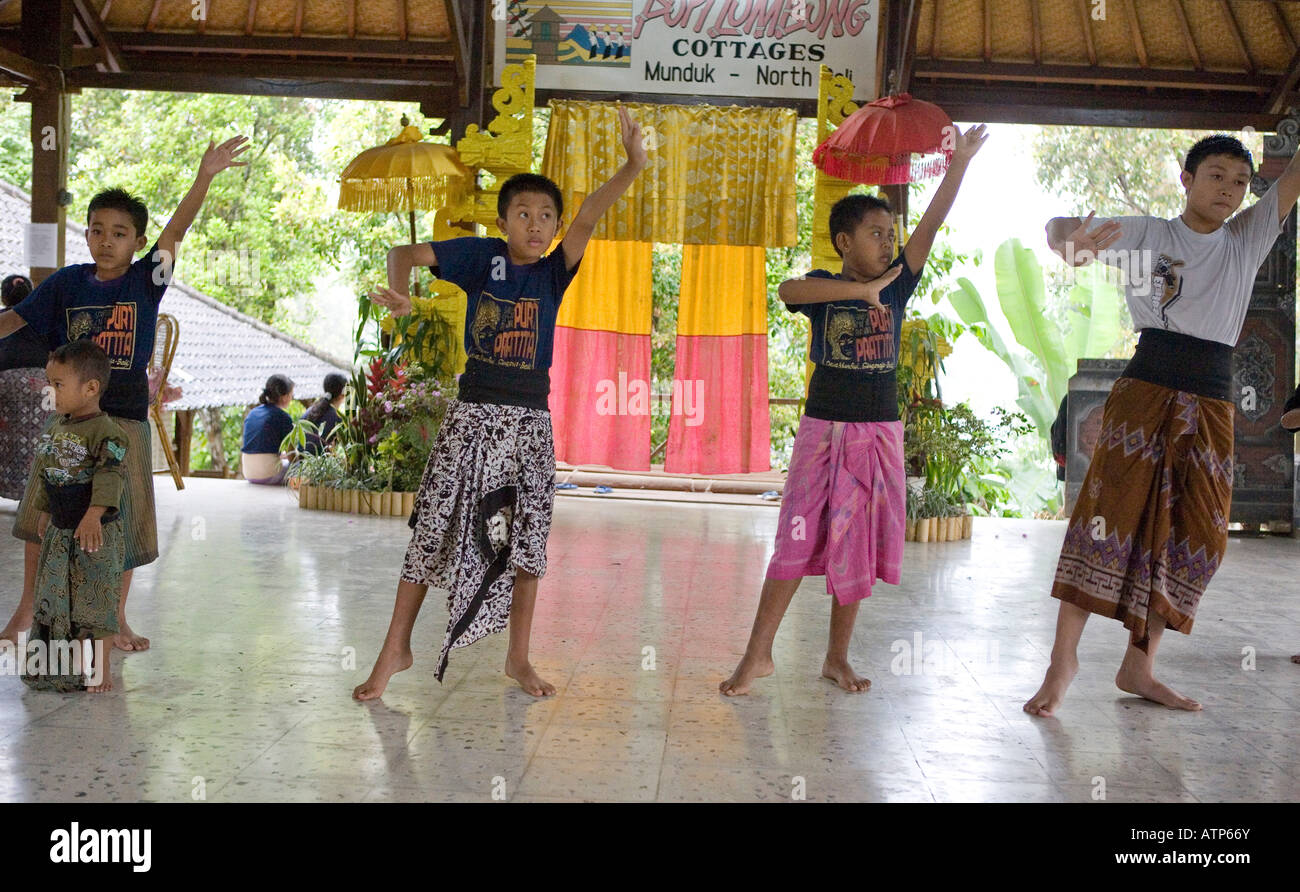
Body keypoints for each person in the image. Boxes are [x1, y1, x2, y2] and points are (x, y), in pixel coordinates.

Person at [353, 106, 648, 699]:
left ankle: (519, 658)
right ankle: (396, 647)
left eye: (546, 216)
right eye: (523, 214)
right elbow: (403, 254)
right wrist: (403, 300)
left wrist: (633, 164)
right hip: (471, 418)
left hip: (530, 426)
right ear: (503, 220)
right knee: (431, 528)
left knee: (528, 540)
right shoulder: (479, 256)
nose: (535, 225)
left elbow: (591, 212)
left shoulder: (554, 272)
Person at [1025, 135, 1300, 717]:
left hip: (1213, 401)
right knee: (1106, 521)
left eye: (1239, 182)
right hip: (1146, 388)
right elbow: (1059, 226)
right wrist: (1067, 243)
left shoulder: (1248, 237)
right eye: (1216, 175)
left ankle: (1139, 664)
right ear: (1186, 178)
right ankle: (1063, 662)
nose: (1227, 189)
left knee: (1196, 536)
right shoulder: (1152, 235)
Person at [720, 125, 988, 696]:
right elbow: (789, 291)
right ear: (844, 242)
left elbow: (932, 224)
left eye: (890, 234)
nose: (888, 243)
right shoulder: (822, 285)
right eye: (875, 233)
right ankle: (757, 655)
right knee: (794, 539)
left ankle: (836, 658)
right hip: (824, 432)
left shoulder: (897, 284)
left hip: (879, 434)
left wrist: (957, 166)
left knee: (855, 545)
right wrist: (854, 294)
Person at [0, 135, 250, 651]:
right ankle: (27, 609)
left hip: (127, 419)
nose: (106, 240)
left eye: (119, 233)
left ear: (137, 241)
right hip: (69, 420)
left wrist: (205, 175)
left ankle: (114, 619)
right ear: (86, 234)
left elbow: (177, 229)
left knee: (119, 525)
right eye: (96, 230)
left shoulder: (146, 281)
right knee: (39, 516)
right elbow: (14, 320)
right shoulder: (67, 283)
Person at [22, 340, 127, 693]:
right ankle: (65, 669)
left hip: (94, 533)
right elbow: (46, 471)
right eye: (49, 383)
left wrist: (95, 514)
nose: (50, 392)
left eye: (58, 385)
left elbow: (110, 476)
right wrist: (43, 509)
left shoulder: (107, 432)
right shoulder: (56, 426)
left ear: (91, 388)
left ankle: (102, 670)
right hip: (60, 529)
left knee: (95, 602)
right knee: (59, 597)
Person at [0, 274, 49, 503]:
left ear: (2, 298)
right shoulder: (44, 319)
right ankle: (35, 493)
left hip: (4, 383)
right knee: (40, 436)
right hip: (42, 386)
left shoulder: (2, 318)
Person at [240, 374, 296, 485]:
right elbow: (292, 456)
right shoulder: (283, 417)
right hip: (268, 474)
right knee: (298, 466)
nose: (292, 398)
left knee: (283, 461)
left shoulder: (253, 413)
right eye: (291, 394)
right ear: (284, 397)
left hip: (248, 472)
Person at [300, 372, 347, 454]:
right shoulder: (337, 419)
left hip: (300, 463)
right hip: (320, 464)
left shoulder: (310, 411)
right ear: (343, 394)